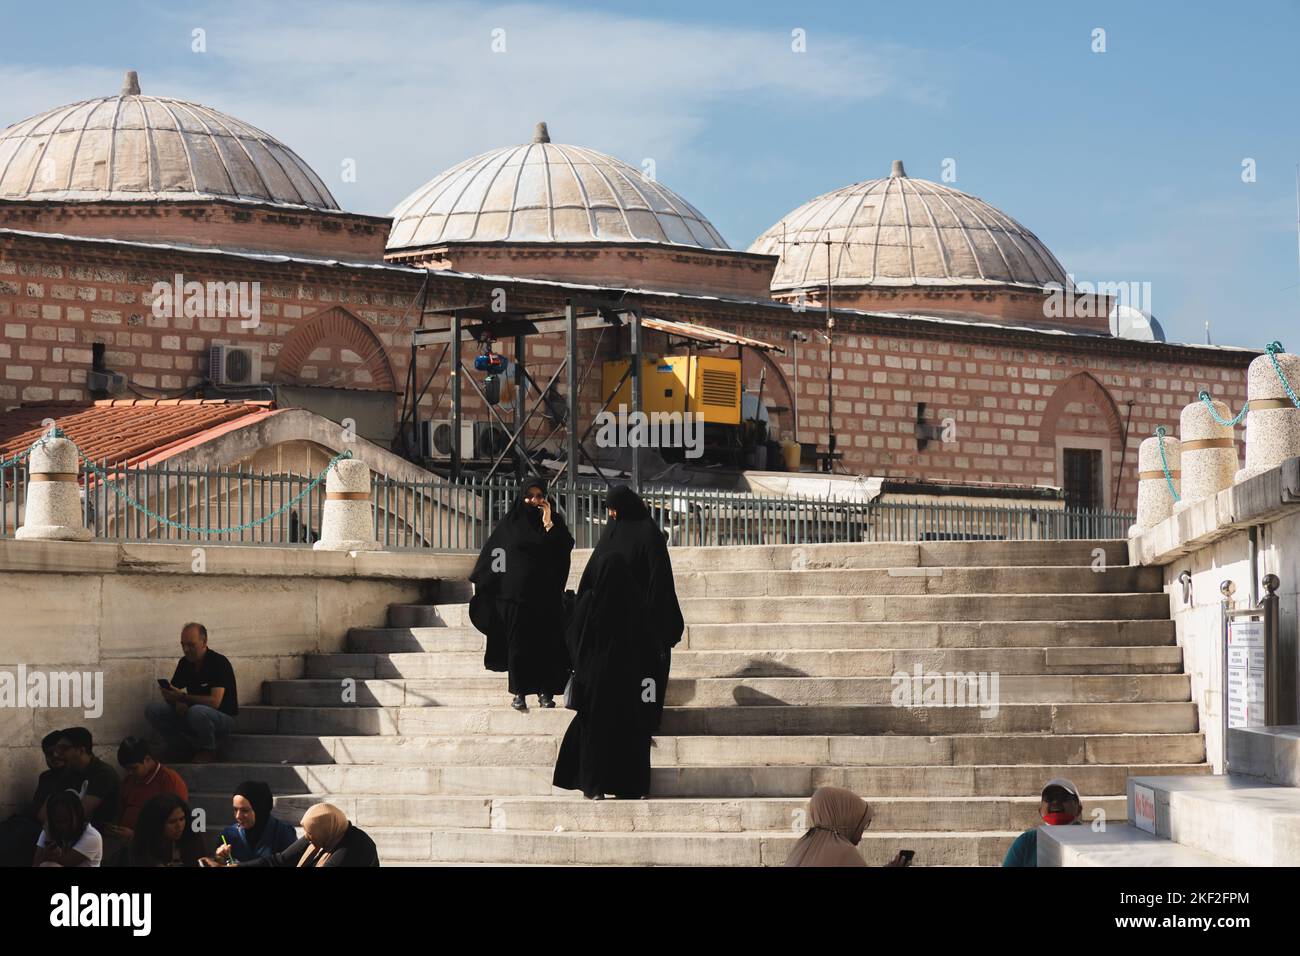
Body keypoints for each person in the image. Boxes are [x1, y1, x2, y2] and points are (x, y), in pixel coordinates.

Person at [553, 551, 661, 800]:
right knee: (630, 732)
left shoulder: (591, 601)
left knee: (595, 735)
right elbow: (651, 643)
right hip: (630, 680)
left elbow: (574, 636)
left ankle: (594, 787)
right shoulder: (636, 601)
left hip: (596, 679)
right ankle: (632, 786)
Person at [582, 485, 684, 732]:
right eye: (610, 511)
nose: (613, 516)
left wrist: (653, 622)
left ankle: (646, 720)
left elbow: (659, 581)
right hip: (610, 621)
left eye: (615, 510)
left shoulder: (649, 534)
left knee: (644, 676)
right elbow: (593, 571)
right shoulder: (612, 532)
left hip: (641, 621)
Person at [469, 479, 574, 711]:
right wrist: (492, 584)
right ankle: (520, 692)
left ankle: (546, 692)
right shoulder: (510, 525)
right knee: (518, 647)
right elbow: (496, 555)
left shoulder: (553, 523)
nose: (535, 501)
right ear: (521, 497)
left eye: (539, 496)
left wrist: (549, 523)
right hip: (515, 598)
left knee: (547, 646)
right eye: (530, 496)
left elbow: (564, 546)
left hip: (546, 597)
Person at [145, 622, 238, 762]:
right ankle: (180, 747)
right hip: (194, 714)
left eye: (191, 645)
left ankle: (208, 749)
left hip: (223, 718)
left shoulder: (218, 662)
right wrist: (175, 701)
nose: (186, 649)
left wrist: (184, 698)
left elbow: (215, 702)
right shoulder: (185, 663)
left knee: (197, 711)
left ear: (204, 642)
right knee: (153, 710)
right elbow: (174, 692)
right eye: (183, 645)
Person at [784, 787, 913, 867]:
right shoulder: (843, 852)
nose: (861, 835)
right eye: (861, 825)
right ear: (848, 820)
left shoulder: (804, 844)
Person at [234, 803, 379, 867]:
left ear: (323, 830)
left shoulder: (353, 847)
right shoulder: (321, 835)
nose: (307, 837)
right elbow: (280, 860)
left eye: (310, 833)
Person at [0, 732, 66, 867]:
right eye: (49, 753)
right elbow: (37, 807)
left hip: (55, 828)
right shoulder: (46, 777)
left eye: (59, 751)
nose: (55, 756)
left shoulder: (73, 776)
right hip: (37, 825)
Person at [108, 736, 189, 845]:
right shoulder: (130, 780)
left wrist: (135, 836)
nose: (130, 773)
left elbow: (175, 824)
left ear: (147, 760)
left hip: (156, 845)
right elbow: (121, 809)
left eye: (133, 768)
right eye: (127, 769)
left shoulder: (169, 780)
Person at [47, 728, 120, 835]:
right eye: (57, 749)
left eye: (64, 748)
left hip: (98, 836)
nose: (57, 755)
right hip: (69, 833)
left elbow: (78, 814)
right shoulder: (70, 772)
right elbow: (44, 813)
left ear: (81, 750)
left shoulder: (103, 774)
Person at [210, 781, 298, 864]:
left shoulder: (283, 833)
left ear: (260, 810)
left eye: (244, 810)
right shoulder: (229, 834)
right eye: (235, 809)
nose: (238, 816)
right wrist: (219, 859)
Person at [1003, 777, 1084, 867]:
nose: (1056, 802)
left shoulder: (1091, 839)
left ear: (1079, 809)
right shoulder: (1026, 842)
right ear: (1040, 811)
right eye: (1049, 798)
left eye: (1063, 797)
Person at [128, 793, 205, 867]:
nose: (179, 826)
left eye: (182, 819)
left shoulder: (192, 838)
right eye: (172, 822)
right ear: (157, 824)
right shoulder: (145, 844)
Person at [34, 790, 102, 867]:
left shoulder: (91, 837)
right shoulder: (49, 829)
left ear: (78, 815)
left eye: (67, 820)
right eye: (58, 822)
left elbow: (65, 863)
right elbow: (35, 864)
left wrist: (48, 845)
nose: (63, 826)